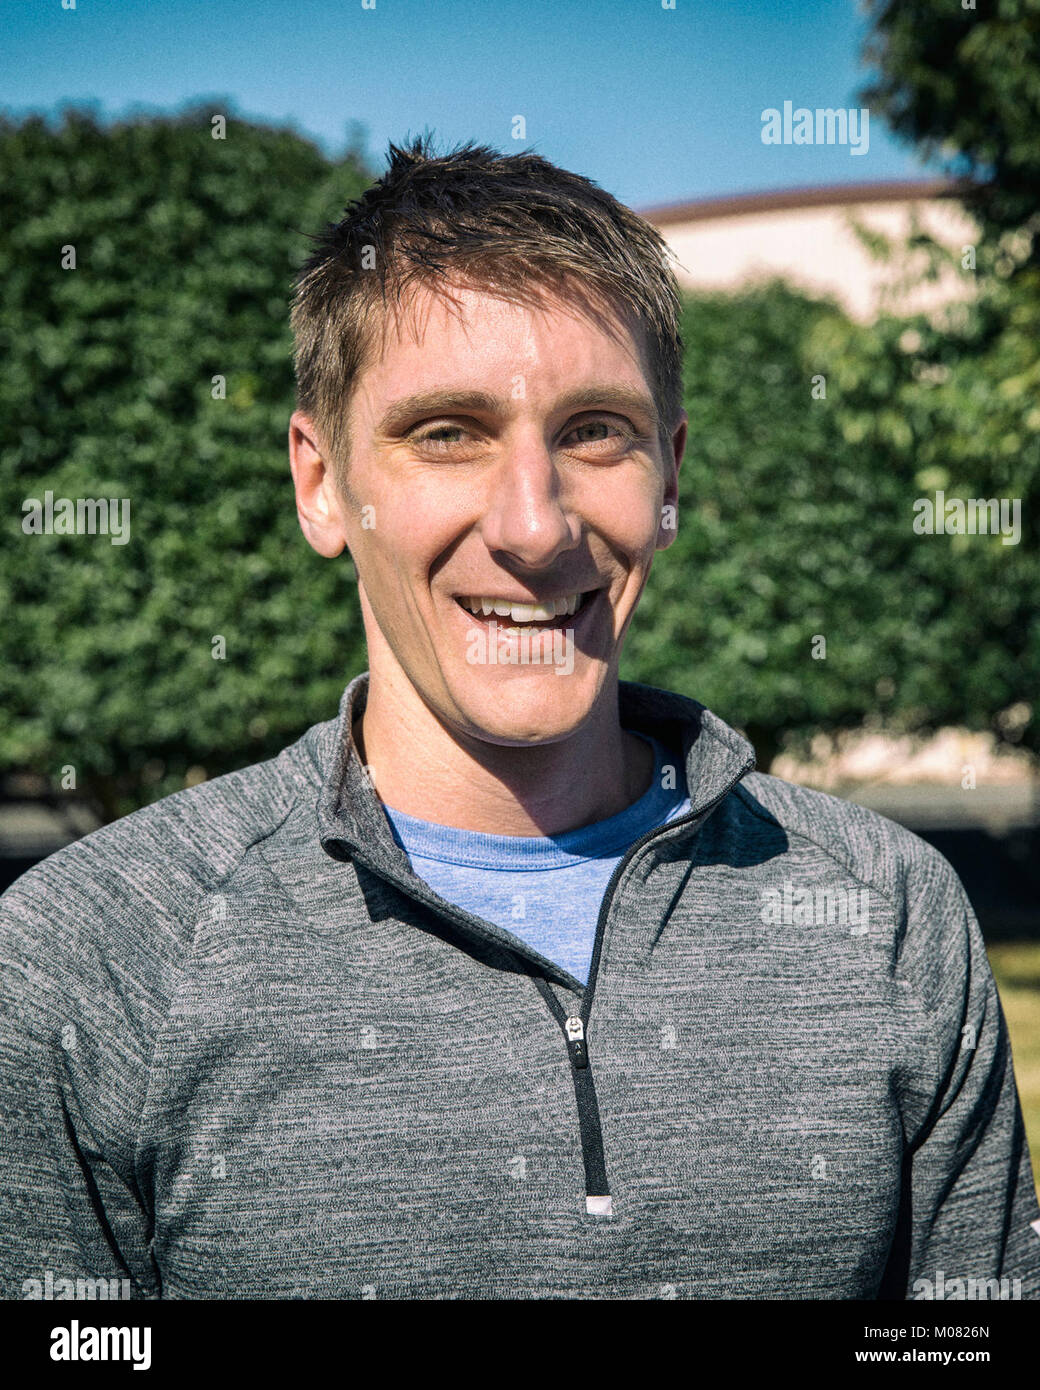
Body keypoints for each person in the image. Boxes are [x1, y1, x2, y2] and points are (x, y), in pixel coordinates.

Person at [2, 136, 1038, 1301]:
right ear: (321, 484)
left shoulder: (889, 914)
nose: (533, 526)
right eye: (445, 431)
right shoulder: (86, 958)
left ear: (669, 479)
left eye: (595, 429)